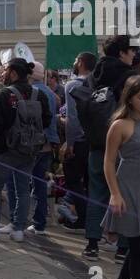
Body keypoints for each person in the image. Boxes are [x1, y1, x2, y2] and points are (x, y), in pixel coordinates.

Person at [76, 34, 139, 259]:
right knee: (124, 194)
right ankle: (122, 247)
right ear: (122, 52)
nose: (134, 54)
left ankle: (92, 244)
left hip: (95, 142)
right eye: (131, 50)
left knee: (96, 192)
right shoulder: (130, 77)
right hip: (124, 145)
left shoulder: (93, 77)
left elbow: (81, 108)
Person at [0, 58, 51, 243]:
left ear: (13, 73)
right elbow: (48, 120)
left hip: (5, 150)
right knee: (23, 190)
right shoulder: (39, 94)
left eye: (5, 71)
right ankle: (18, 229)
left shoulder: (4, 95)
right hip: (29, 151)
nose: (2, 74)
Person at [102, 75, 140, 279]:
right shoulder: (120, 125)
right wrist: (115, 194)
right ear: (129, 99)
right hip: (130, 190)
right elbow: (108, 162)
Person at [60, 52, 97, 233]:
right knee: (92, 183)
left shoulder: (73, 85)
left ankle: (82, 218)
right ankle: (94, 222)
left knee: (73, 179)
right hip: (96, 140)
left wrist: (70, 143)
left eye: (75, 60)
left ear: (81, 63)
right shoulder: (98, 83)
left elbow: (72, 118)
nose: (74, 63)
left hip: (80, 140)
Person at [21, 61, 60, 236]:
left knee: (23, 182)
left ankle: (22, 222)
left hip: (32, 143)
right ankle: (40, 224)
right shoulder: (51, 93)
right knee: (40, 183)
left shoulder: (30, 91)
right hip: (48, 143)